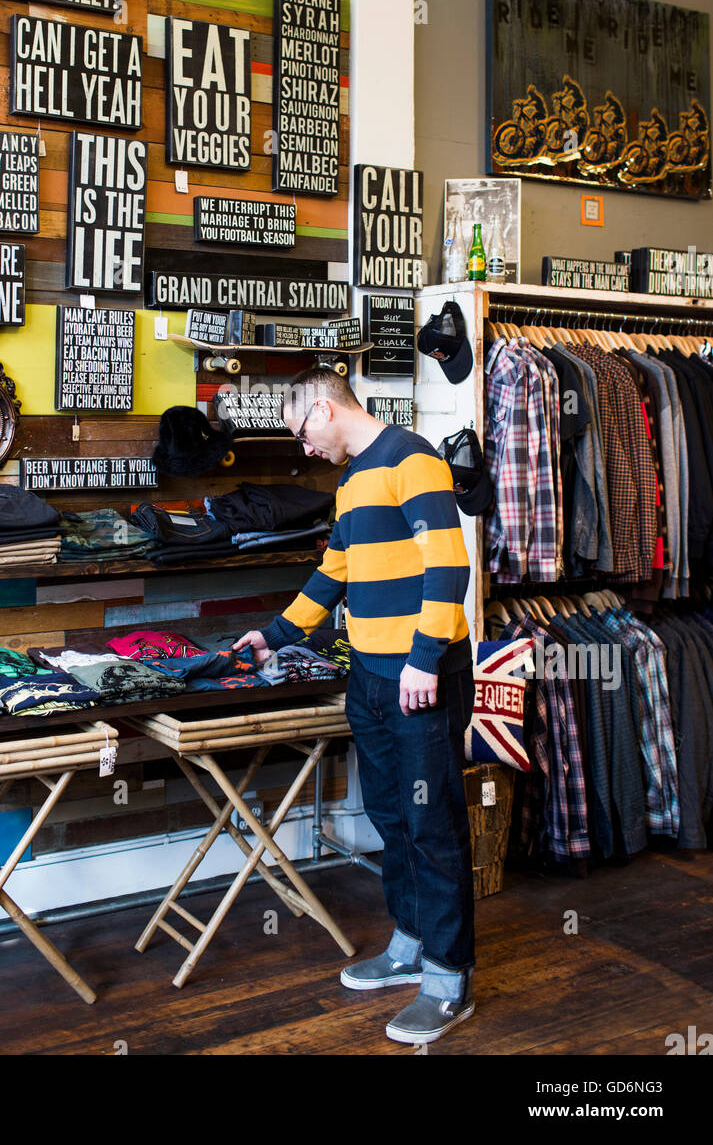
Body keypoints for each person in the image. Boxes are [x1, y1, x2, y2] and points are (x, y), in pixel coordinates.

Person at [235, 365, 476, 1045]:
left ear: (322, 409)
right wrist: (275, 634)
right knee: (390, 816)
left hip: (418, 677)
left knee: (432, 823)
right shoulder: (349, 483)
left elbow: (447, 565)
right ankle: (408, 943)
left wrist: (424, 659)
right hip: (369, 677)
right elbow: (333, 572)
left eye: (299, 433)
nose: (302, 449)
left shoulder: (414, 460)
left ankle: (447, 976)